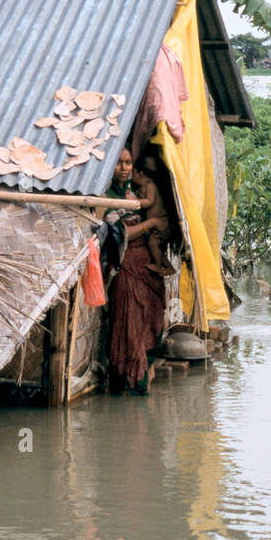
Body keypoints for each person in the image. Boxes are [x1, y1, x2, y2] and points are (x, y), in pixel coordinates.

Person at [103, 149, 170, 394]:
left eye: (128, 163)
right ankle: (131, 379)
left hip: (147, 270)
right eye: (119, 163)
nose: (124, 167)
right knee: (128, 321)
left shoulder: (139, 193)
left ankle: (144, 369)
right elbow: (121, 234)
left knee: (150, 317)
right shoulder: (106, 197)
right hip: (126, 267)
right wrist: (149, 224)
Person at [131, 155, 175, 276]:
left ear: (140, 173)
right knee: (156, 247)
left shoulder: (151, 186)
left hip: (162, 222)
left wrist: (134, 203)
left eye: (133, 172)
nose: (131, 175)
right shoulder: (143, 187)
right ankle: (169, 267)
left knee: (153, 244)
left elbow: (149, 201)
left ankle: (159, 266)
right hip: (156, 223)